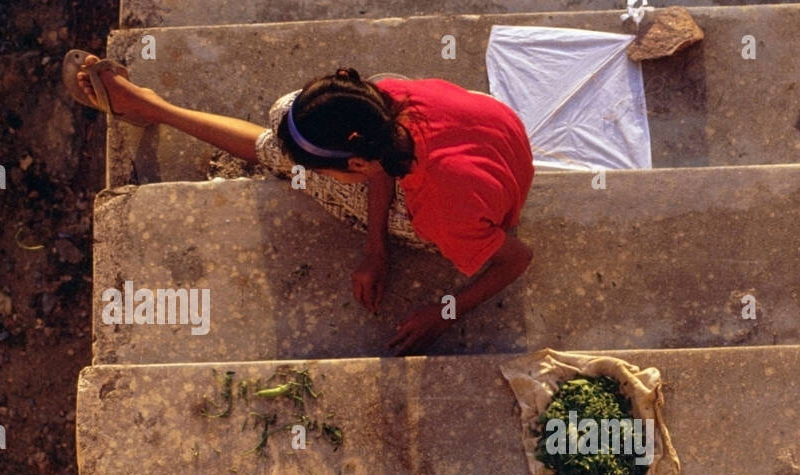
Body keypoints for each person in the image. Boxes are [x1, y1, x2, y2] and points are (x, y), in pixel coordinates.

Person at [64, 54, 535, 354]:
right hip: (486, 135)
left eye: (334, 169)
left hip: (476, 196)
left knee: (279, 151)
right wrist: (375, 248)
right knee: (283, 117)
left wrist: (445, 312)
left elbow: (516, 257)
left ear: (358, 161)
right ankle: (153, 108)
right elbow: (383, 164)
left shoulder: (438, 211)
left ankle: (154, 108)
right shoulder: (387, 98)